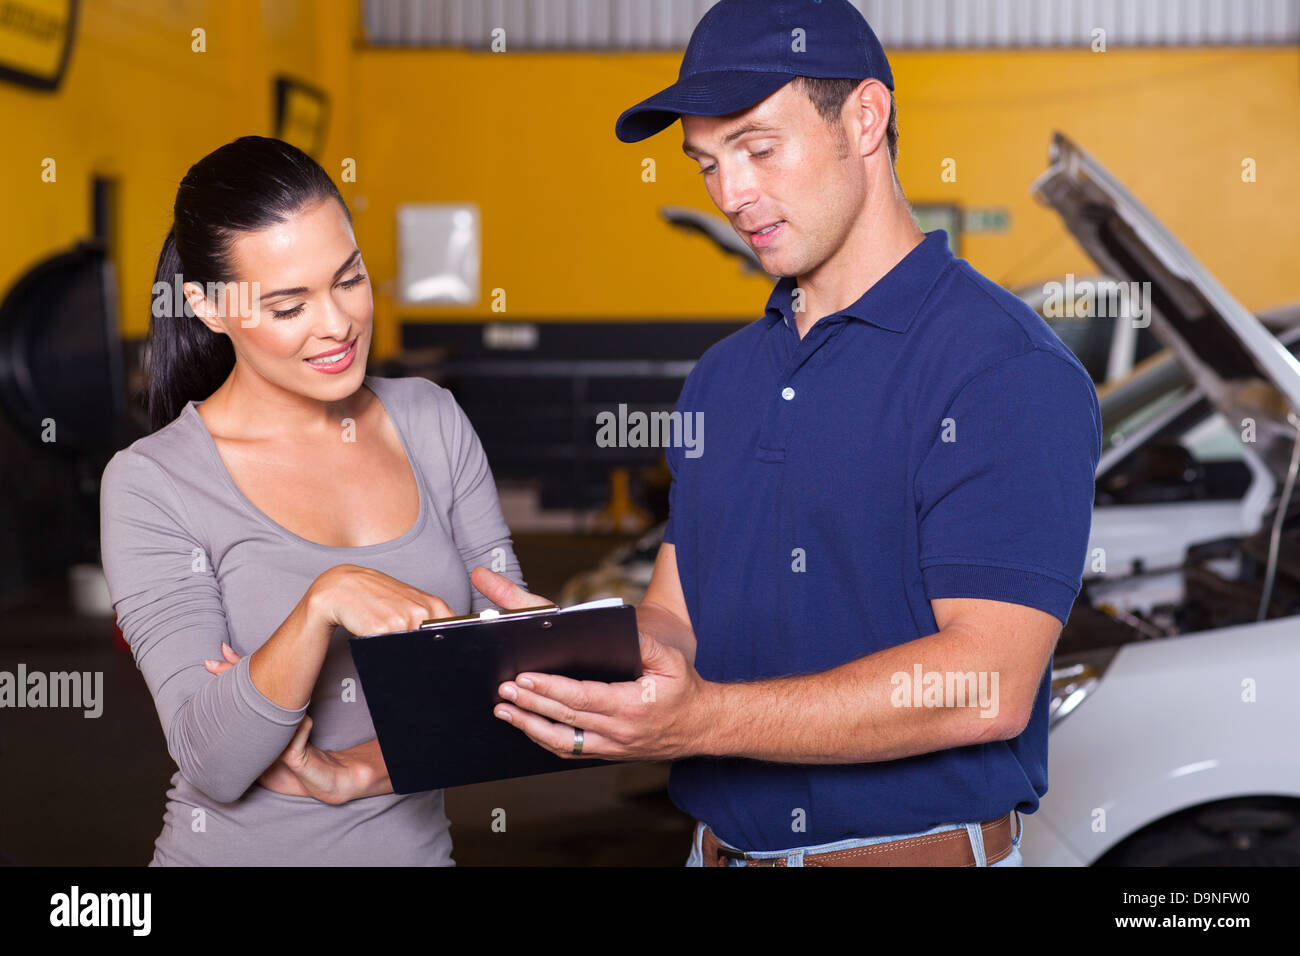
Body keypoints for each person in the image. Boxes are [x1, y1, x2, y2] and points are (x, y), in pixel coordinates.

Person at [479, 0, 1102, 866]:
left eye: (758, 147)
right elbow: (676, 615)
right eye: (707, 163)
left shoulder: (1002, 369)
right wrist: (582, 656)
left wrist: (705, 720)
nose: (731, 193)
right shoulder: (721, 380)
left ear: (865, 117)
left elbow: (984, 684)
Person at [100, 135, 525, 865]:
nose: (337, 325)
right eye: (289, 304)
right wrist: (320, 606)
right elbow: (213, 757)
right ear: (206, 307)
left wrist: (360, 770)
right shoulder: (153, 483)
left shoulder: (429, 421)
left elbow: (508, 695)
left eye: (349, 278)